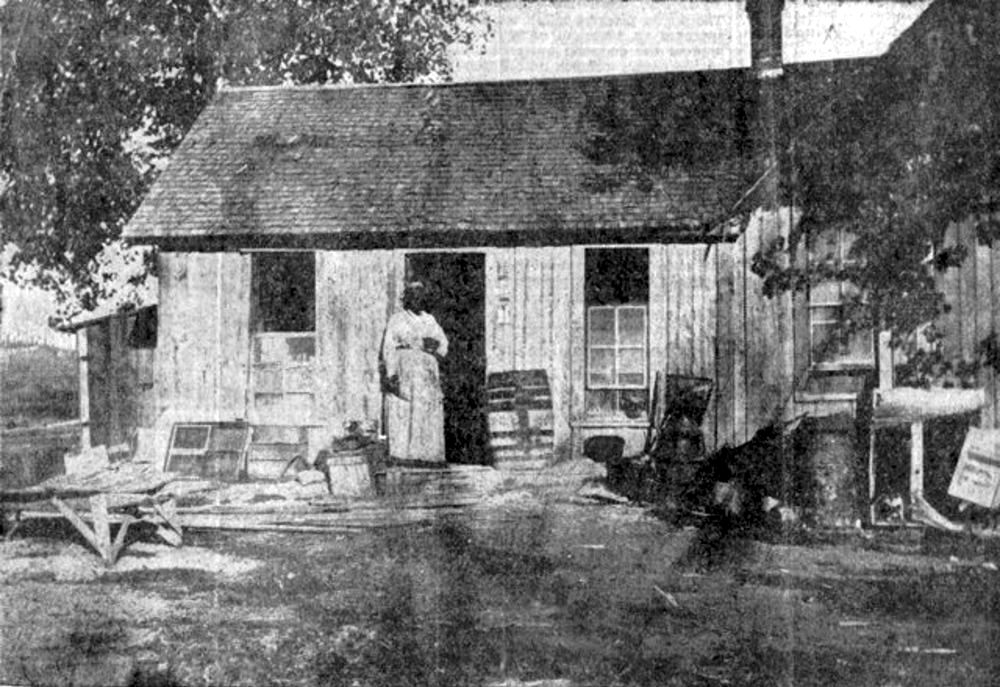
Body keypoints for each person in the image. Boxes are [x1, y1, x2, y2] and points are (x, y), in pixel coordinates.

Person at [381, 281, 449, 463]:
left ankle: (428, 455)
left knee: (427, 410)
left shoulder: (430, 320)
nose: (417, 300)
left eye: (421, 297)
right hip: (406, 369)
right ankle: (405, 455)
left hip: (427, 371)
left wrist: (435, 346)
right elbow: (389, 347)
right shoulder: (398, 319)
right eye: (413, 296)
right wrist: (391, 374)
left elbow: (443, 344)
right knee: (406, 410)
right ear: (407, 299)